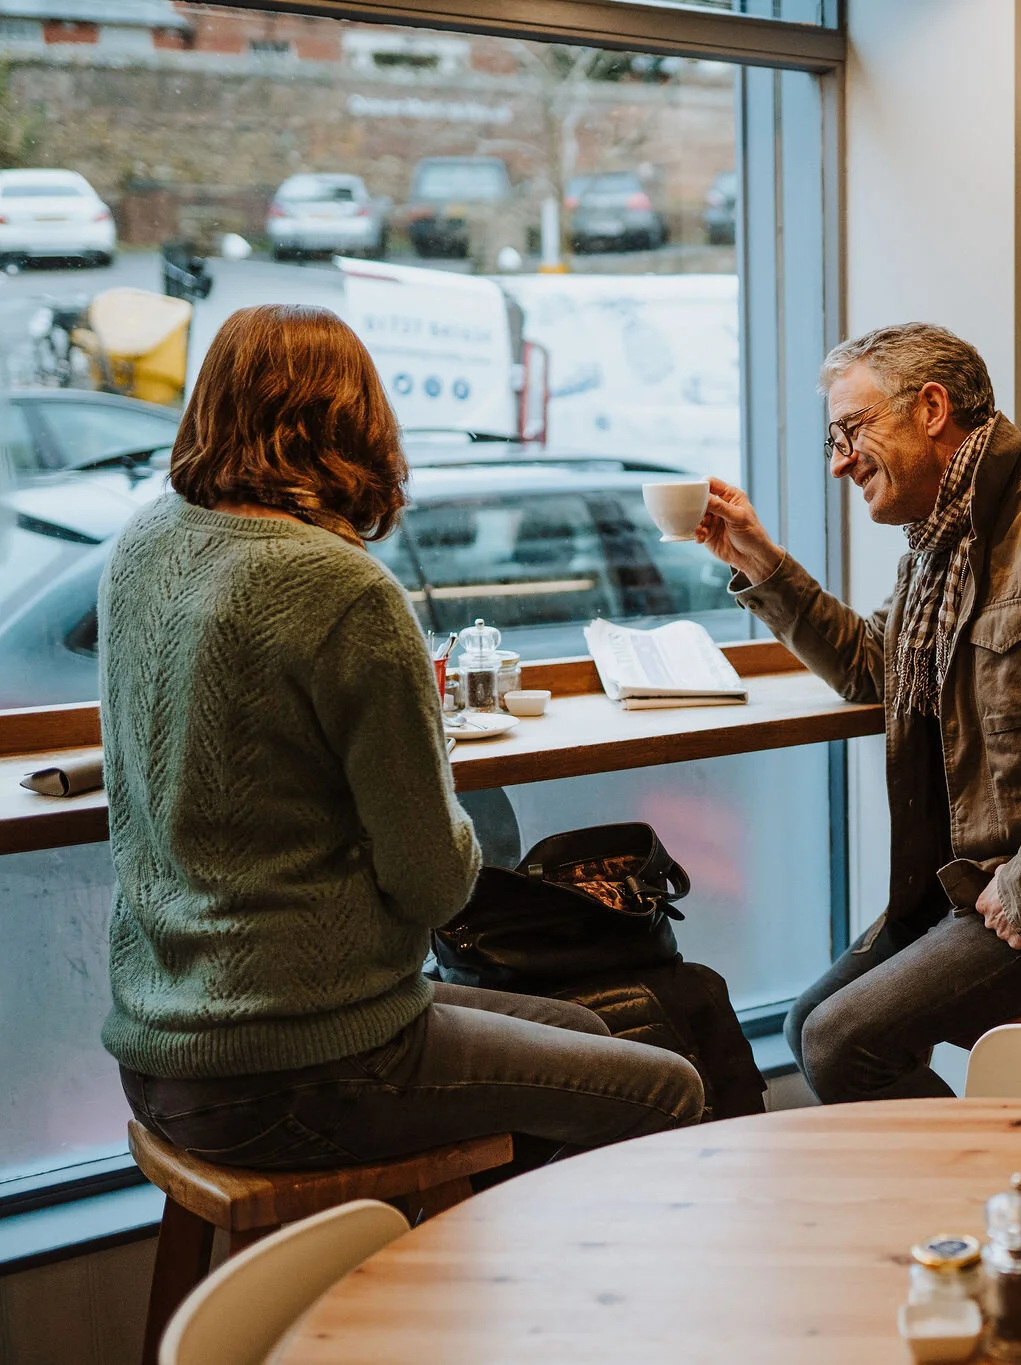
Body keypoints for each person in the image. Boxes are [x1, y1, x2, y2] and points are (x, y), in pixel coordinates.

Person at [100, 304, 702, 1170]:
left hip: (160, 1048)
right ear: (355, 421)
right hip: (302, 1062)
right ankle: (524, 1295)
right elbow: (436, 883)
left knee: (584, 1027)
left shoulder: (145, 542)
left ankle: (480, 1285)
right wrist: (425, 733)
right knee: (666, 1088)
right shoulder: (341, 588)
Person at [695, 322, 1021, 1103]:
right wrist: (760, 561)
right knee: (805, 1026)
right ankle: (976, 1189)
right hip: (965, 885)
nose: (838, 461)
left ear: (931, 408)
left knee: (838, 1040)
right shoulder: (938, 547)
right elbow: (872, 667)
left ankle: (981, 1203)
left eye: (850, 431)